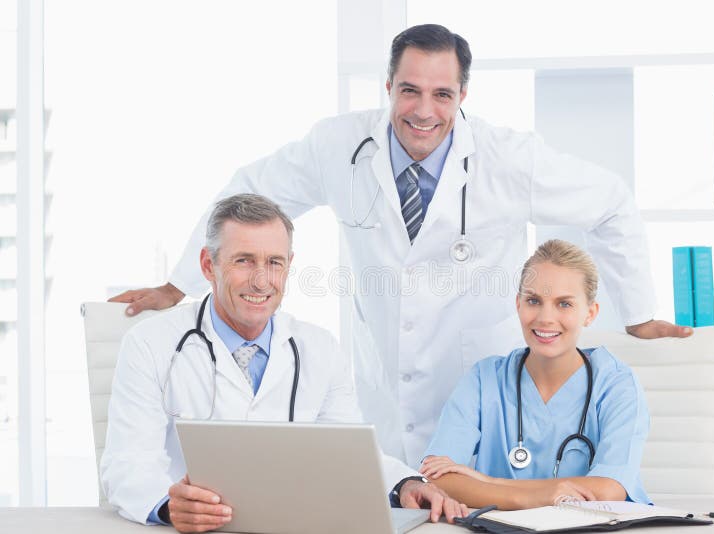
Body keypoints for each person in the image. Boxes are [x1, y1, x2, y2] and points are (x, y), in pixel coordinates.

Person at [110, 24, 689, 466]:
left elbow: (612, 201)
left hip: (483, 393)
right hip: (382, 392)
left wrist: (636, 315)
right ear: (388, 86)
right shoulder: (339, 145)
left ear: (464, 94)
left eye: (442, 94)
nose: (423, 110)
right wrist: (181, 282)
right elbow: (246, 192)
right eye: (409, 90)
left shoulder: (510, 159)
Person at [100, 194, 466, 531]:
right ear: (208, 265)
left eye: (273, 262)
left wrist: (408, 484)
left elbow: (348, 456)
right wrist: (168, 506)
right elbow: (127, 465)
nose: (261, 280)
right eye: (243, 261)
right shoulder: (151, 344)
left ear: (289, 266)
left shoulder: (319, 348)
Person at [418, 239, 650, 509]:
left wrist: (489, 483)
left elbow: (610, 489)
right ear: (518, 304)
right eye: (533, 301)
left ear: (590, 313)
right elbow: (437, 480)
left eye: (564, 304)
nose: (545, 318)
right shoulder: (484, 379)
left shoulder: (616, 385)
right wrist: (538, 496)